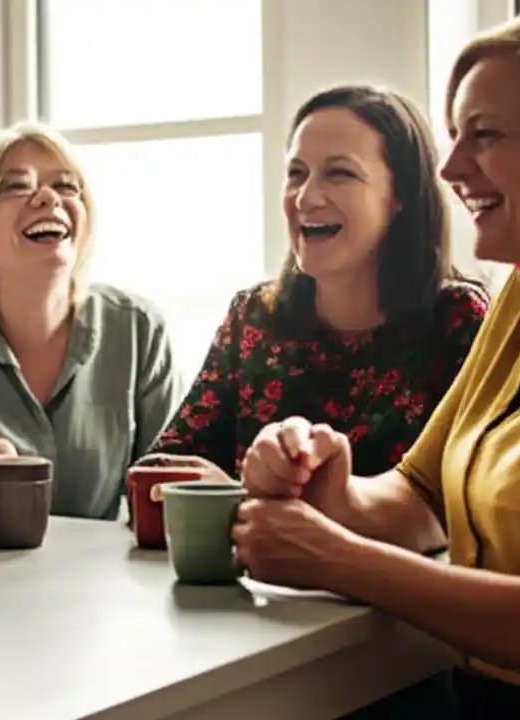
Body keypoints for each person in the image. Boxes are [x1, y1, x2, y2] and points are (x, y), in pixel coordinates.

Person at [233, 8, 520, 717]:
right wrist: (334, 489)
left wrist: (333, 557)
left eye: (487, 135)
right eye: (455, 137)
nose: (449, 169)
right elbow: (422, 499)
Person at [145, 85, 488, 483]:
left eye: (339, 173)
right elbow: (156, 476)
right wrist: (232, 497)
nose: (306, 197)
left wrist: (244, 498)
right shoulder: (253, 316)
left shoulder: (457, 320)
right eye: (296, 174)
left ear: (401, 196)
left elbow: (473, 503)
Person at [0, 123, 184, 521]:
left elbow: (174, 496)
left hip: (102, 581)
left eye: (66, 186)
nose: (48, 197)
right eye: (14, 186)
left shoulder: (139, 330)